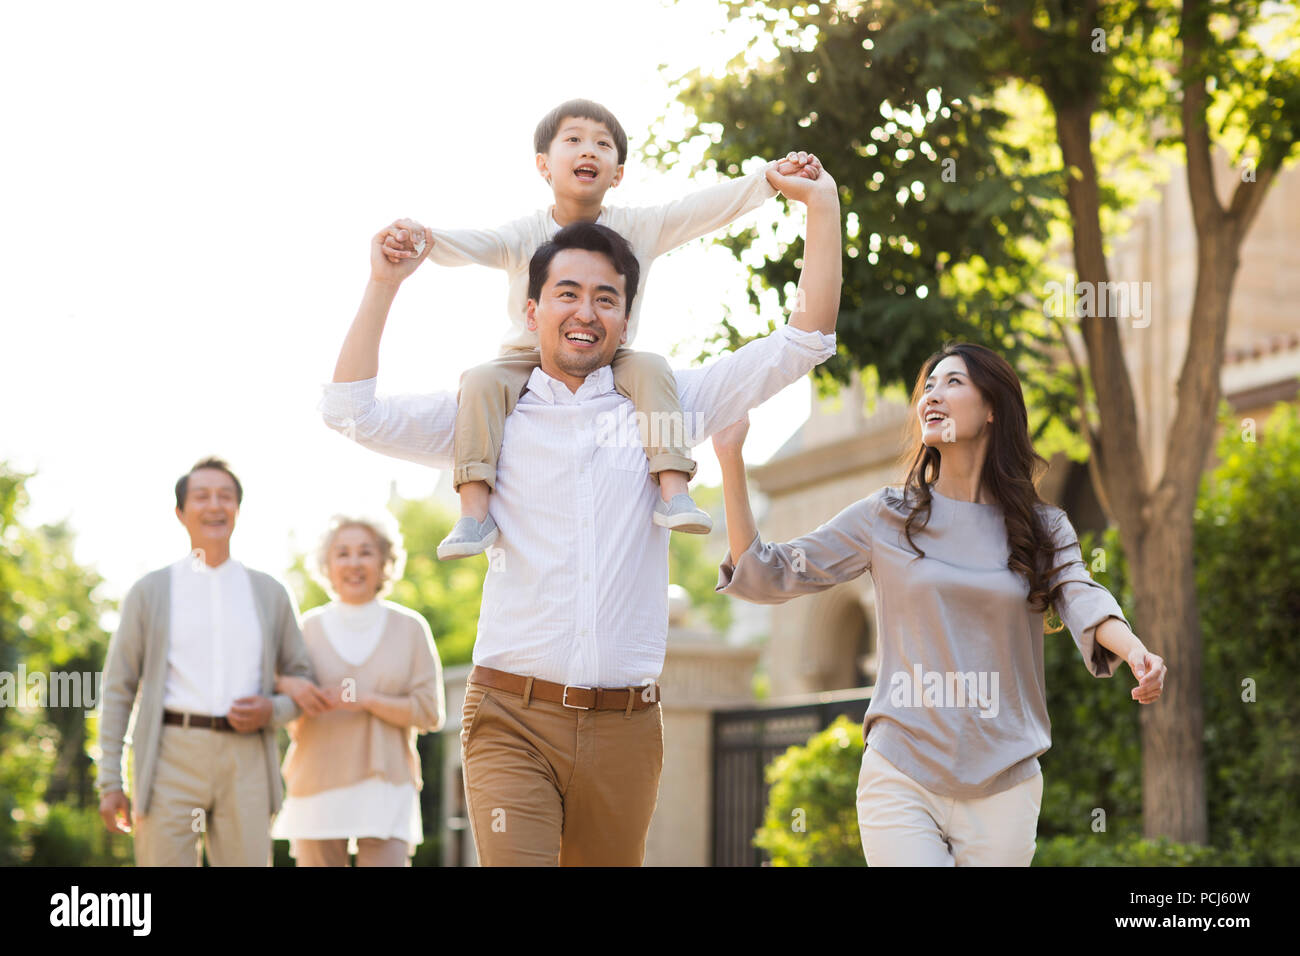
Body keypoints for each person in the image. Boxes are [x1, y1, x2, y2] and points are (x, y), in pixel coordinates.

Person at [320, 159, 840, 865]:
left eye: (606, 298)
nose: (586, 312)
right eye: (567, 294)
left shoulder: (671, 407)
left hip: (626, 726)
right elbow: (351, 412)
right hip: (511, 718)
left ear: (626, 316)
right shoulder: (488, 413)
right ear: (532, 312)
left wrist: (821, 206)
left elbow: (805, 340)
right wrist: (383, 285)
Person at [712, 343, 1168, 866]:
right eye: (928, 384)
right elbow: (770, 572)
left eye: (953, 382)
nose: (932, 394)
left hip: (1005, 777)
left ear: (992, 407)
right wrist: (730, 457)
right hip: (901, 772)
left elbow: (1079, 594)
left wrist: (1135, 652)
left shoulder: (1043, 529)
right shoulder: (886, 517)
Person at [377, 98, 820, 560]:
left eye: (602, 145)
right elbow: (471, 246)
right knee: (479, 380)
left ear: (618, 173)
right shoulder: (523, 234)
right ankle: (473, 513)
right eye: (573, 140)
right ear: (544, 165)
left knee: (652, 369)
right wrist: (422, 239)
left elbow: (701, 209)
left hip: (607, 350)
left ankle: (674, 491)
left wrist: (769, 179)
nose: (588, 150)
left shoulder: (637, 227)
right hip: (527, 358)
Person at [96, 457, 315, 866]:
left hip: (247, 759)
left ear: (237, 509)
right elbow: (118, 688)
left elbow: (302, 680)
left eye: (225, 496)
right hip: (169, 756)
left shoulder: (270, 593)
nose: (214, 505)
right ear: (181, 512)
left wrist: (272, 709)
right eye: (202, 496)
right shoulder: (150, 591)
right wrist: (111, 780)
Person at [270, 515, 445, 867]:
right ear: (327, 565)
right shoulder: (305, 628)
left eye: (365, 552)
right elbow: (273, 687)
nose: (353, 563)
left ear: (384, 563)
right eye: (342, 553)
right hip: (316, 785)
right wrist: (291, 685)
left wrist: (365, 699)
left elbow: (430, 712)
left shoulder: (410, 628)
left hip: (386, 787)